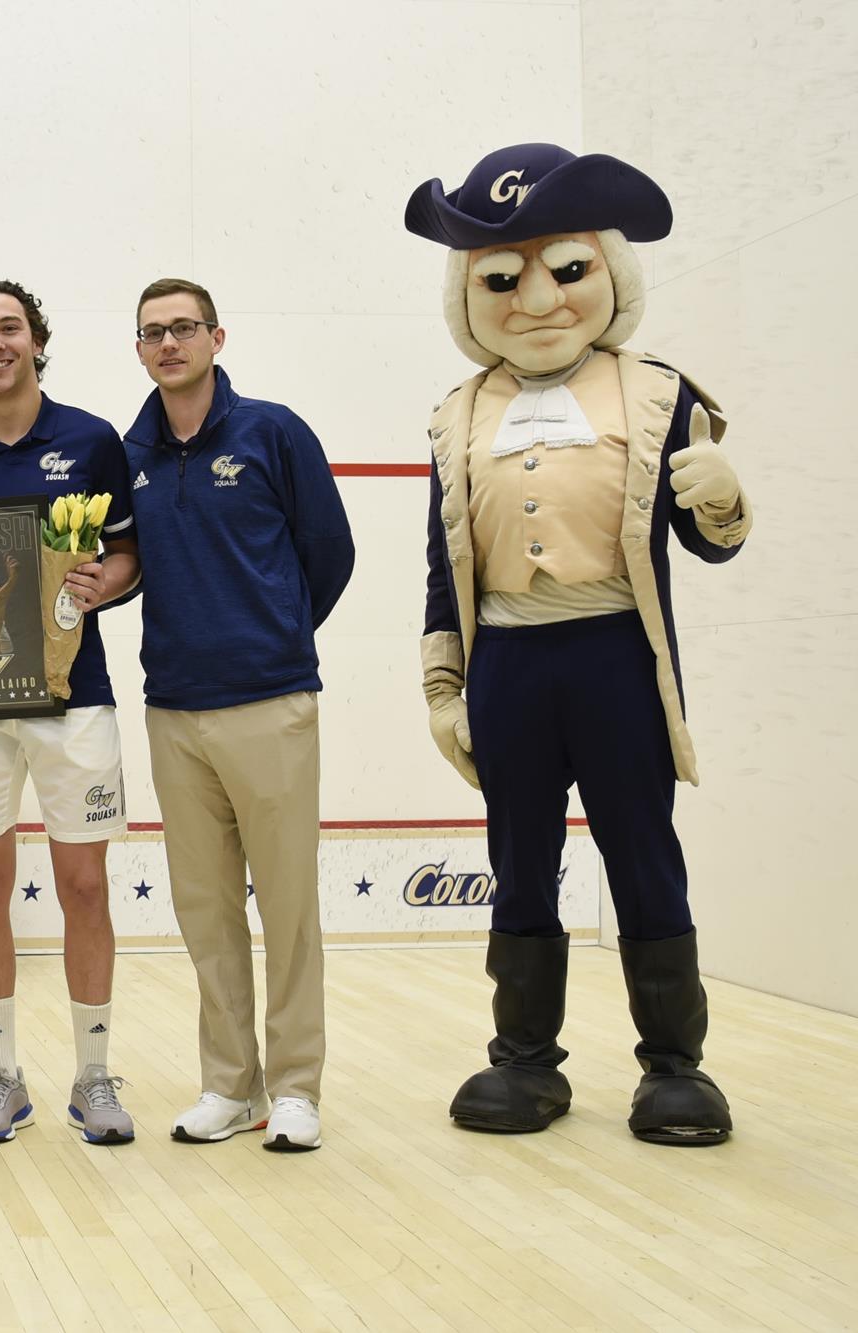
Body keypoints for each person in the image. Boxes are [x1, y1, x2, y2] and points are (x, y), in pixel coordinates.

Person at [406, 145, 748, 1145]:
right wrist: (441, 682)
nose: (536, 299)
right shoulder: (455, 413)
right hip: (508, 665)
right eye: (500, 279)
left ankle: (674, 1068)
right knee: (517, 860)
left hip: (614, 659)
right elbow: (444, 562)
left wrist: (724, 504)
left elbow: (701, 538)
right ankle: (522, 1062)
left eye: (566, 268)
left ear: (608, 269)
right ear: (466, 292)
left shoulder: (656, 391)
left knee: (642, 852)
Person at [121, 279, 355, 1152]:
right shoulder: (131, 451)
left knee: (287, 905)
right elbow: (124, 562)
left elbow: (329, 552)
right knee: (205, 907)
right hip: (173, 709)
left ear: (217, 335)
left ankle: (296, 1086)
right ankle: (232, 1085)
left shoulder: (273, 431)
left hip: (271, 701)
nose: (169, 343)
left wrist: (275, 634)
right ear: (138, 348)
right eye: (153, 333)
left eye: (184, 328)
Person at [0, 277, 142, 1145]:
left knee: (84, 884)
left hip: (74, 697)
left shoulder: (91, 439)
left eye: (10, 327)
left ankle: (92, 1076)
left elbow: (127, 554)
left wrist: (101, 582)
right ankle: (1, 1074)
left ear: (37, 337)